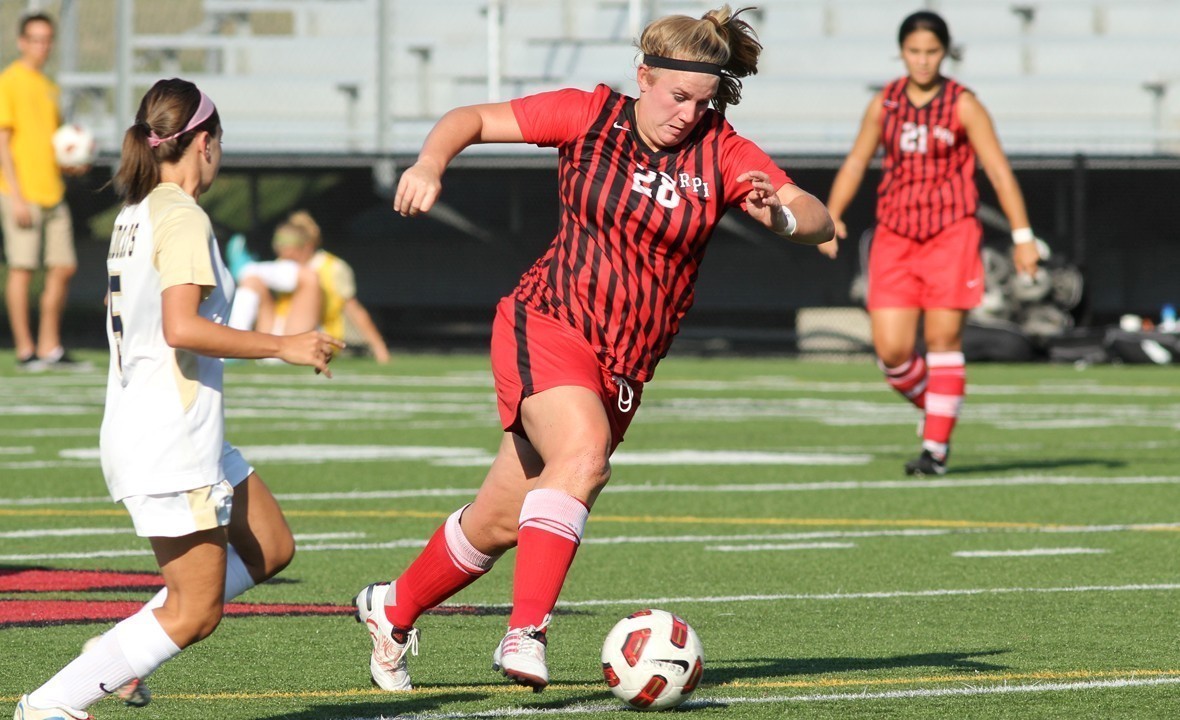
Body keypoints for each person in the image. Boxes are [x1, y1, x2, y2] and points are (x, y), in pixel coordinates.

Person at [353, 4, 833, 693]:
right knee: (583, 455)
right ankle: (526, 632)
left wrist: (784, 214)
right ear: (644, 76)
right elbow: (471, 118)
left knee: (498, 521)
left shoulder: (722, 151)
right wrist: (430, 163)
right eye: (677, 96)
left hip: (624, 367)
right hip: (548, 319)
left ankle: (392, 608)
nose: (688, 114)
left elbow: (816, 217)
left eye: (703, 102)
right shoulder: (588, 115)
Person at [12, 78, 343, 720]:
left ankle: (123, 649)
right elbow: (182, 328)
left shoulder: (137, 211)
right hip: (169, 431)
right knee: (195, 612)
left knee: (270, 545)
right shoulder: (183, 216)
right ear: (205, 144)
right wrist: (284, 344)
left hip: (167, 422)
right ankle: (52, 705)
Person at [819, 10, 1040, 477]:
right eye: (914, 51)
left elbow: (998, 171)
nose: (922, 60)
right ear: (901, 52)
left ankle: (934, 450)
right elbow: (857, 161)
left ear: (945, 53)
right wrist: (831, 216)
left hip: (950, 236)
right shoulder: (885, 103)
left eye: (932, 51)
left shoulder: (964, 104)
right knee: (892, 351)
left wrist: (1023, 238)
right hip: (895, 237)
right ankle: (938, 407)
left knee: (942, 341)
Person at [0, 12, 82, 370]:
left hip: (53, 191)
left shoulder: (50, 87)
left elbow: (52, 144)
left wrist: (72, 162)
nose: (42, 46)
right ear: (22, 42)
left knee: (64, 267)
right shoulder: (9, 81)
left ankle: (50, 346)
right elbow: (3, 142)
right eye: (35, 39)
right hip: (20, 192)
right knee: (22, 269)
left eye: (47, 39)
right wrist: (16, 196)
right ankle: (25, 350)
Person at [225, 210, 391, 363]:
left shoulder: (332, 267)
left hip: (312, 337)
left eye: (291, 252)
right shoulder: (282, 265)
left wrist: (378, 346)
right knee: (252, 280)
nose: (285, 257)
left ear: (307, 246)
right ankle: (234, 346)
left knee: (309, 278)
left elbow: (355, 310)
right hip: (275, 336)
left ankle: (246, 268)